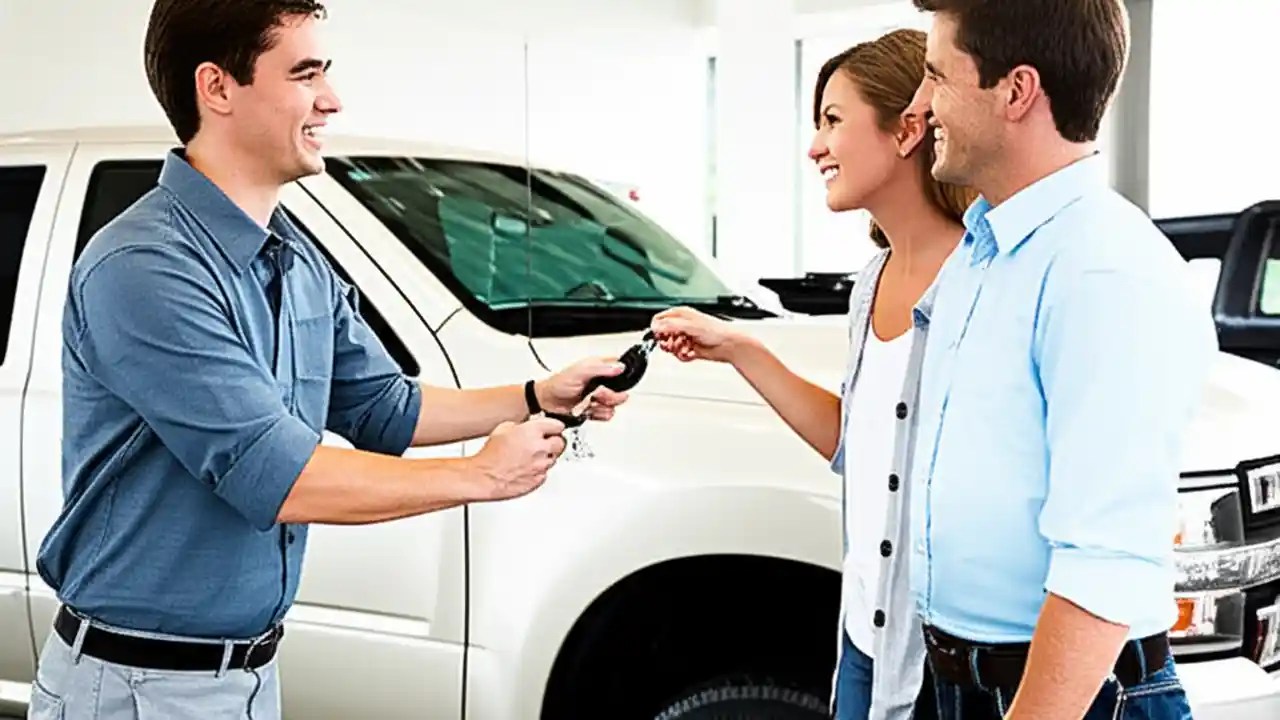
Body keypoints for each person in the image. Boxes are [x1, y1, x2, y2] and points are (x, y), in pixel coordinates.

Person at [27, 2, 629, 718]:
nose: (331, 100)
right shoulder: (145, 268)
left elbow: (387, 408)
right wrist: (480, 475)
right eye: (304, 73)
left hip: (248, 678)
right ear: (217, 89)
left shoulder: (298, 259)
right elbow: (275, 476)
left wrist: (537, 395)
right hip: (134, 688)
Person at [900, 1, 1218, 718]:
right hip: (966, 682)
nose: (920, 107)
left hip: (1071, 698)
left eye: (937, 77)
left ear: (1016, 91)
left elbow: (1106, 559)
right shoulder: (986, 251)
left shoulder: (1103, 270)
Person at [650, 29, 976, 720]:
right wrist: (738, 349)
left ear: (907, 128)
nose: (815, 147)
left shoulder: (979, 283)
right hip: (866, 643)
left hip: (947, 669)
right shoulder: (872, 282)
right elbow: (858, 444)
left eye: (832, 120)